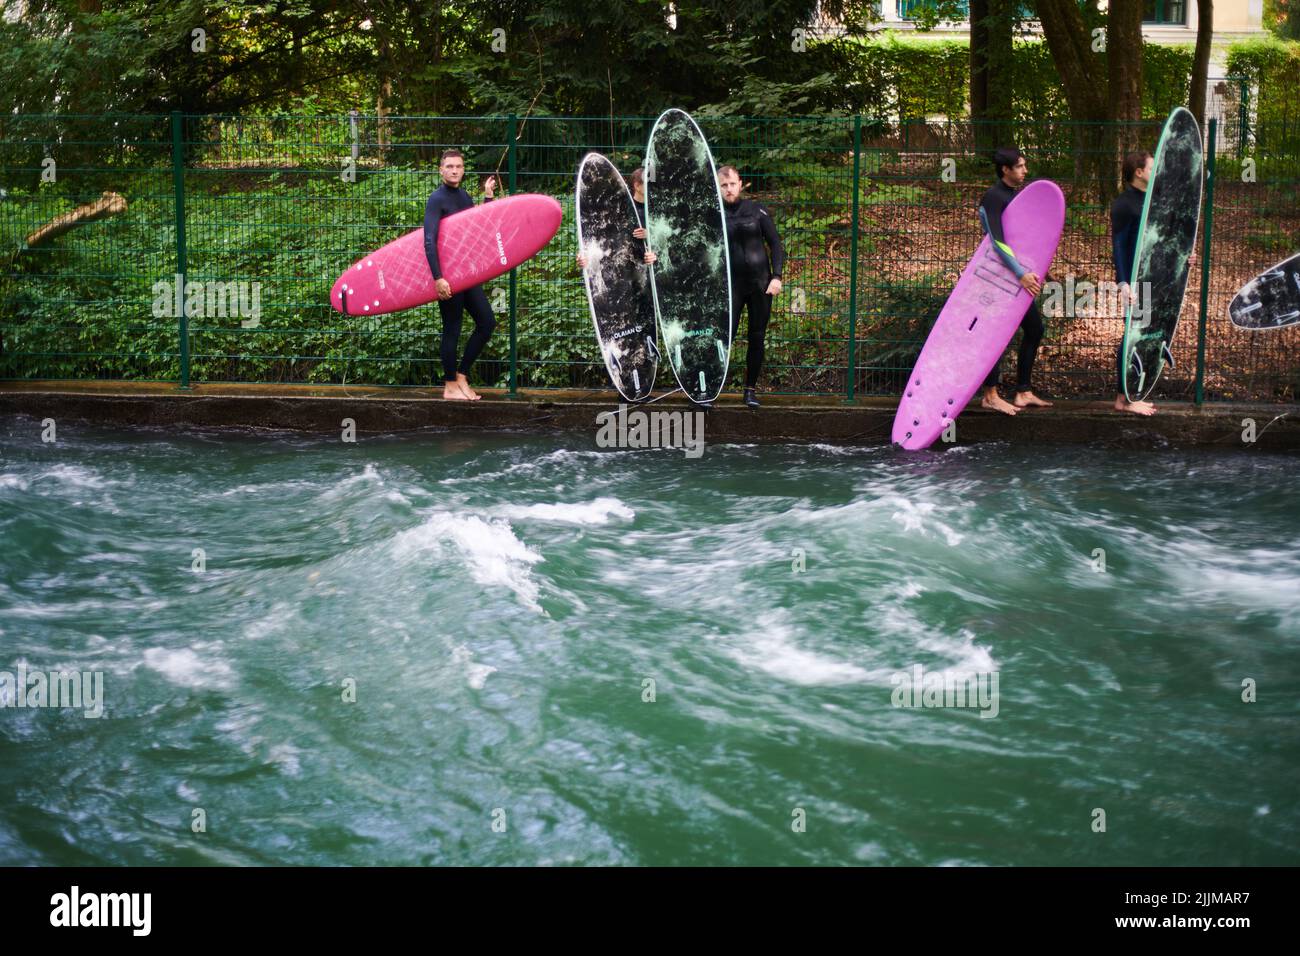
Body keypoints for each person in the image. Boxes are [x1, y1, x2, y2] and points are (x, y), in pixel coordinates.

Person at [978, 146, 1051, 416]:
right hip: (998, 276)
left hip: (1017, 276)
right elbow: (997, 241)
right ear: (1005, 169)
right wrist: (1020, 273)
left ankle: (1023, 392)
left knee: (1034, 329)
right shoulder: (994, 196)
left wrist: (1036, 268)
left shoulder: (1013, 195)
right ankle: (990, 395)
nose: (1025, 170)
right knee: (997, 334)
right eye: (1019, 166)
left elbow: (1021, 239)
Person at [424, 149, 496, 401]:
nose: (454, 170)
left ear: (463, 169)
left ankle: (462, 375)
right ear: (441, 170)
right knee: (452, 329)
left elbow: (477, 230)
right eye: (449, 166)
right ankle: (450, 385)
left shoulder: (464, 197)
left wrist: (487, 198)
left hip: (467, 275)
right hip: (448, 276)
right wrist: (437, 277)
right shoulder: (437, 199)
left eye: (459, 166)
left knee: (487, 323)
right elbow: (429, 239)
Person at [718, 165, 784, 408]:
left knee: (757, 336)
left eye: (732, 184)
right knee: (724, 338)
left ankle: (750, 391)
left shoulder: (757, 210)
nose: (728, 189)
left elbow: (776, 244)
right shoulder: (714, 214)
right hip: (731, 287)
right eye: (723, 185)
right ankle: (712, 390)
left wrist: (776, 276)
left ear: (740, 183)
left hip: (760, 285)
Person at [1111, 150, 1157, 416]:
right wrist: (1123, 283)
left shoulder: (1151, 200)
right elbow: (1118, 246)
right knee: (1131, 336)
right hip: (1135, 282)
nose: (1155, 172)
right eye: (1151, 168)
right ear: (1138, 172)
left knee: (1144, 336)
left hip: (1153, 278)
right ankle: (1123, 399)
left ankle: (1130, 393)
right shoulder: (1124, 204)